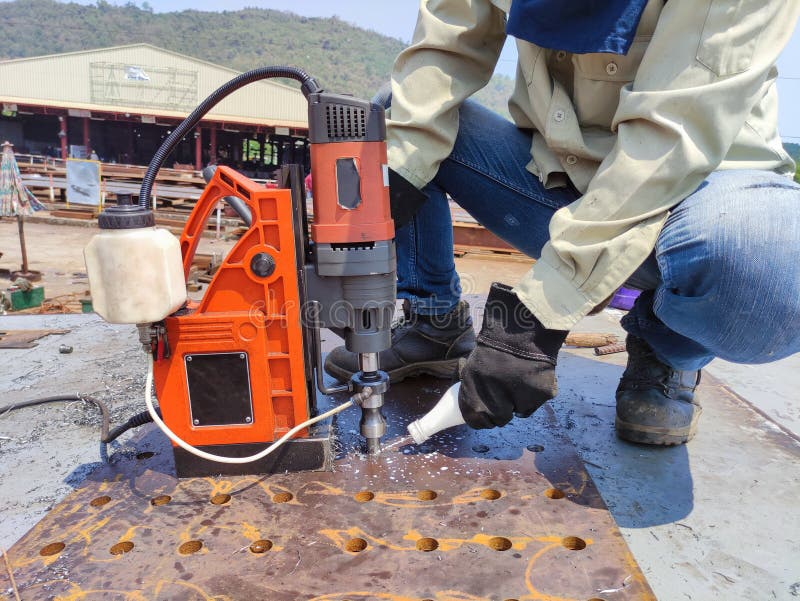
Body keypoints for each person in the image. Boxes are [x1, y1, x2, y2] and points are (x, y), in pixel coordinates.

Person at [325, 0, 800, 445]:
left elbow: (669, 143)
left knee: (763, 256)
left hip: (696, 194)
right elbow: (447, 47)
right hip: (560, 178)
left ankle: (667, 352)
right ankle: (434, 324)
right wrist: (398, 178)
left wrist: (535, 320)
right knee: (392, 118)